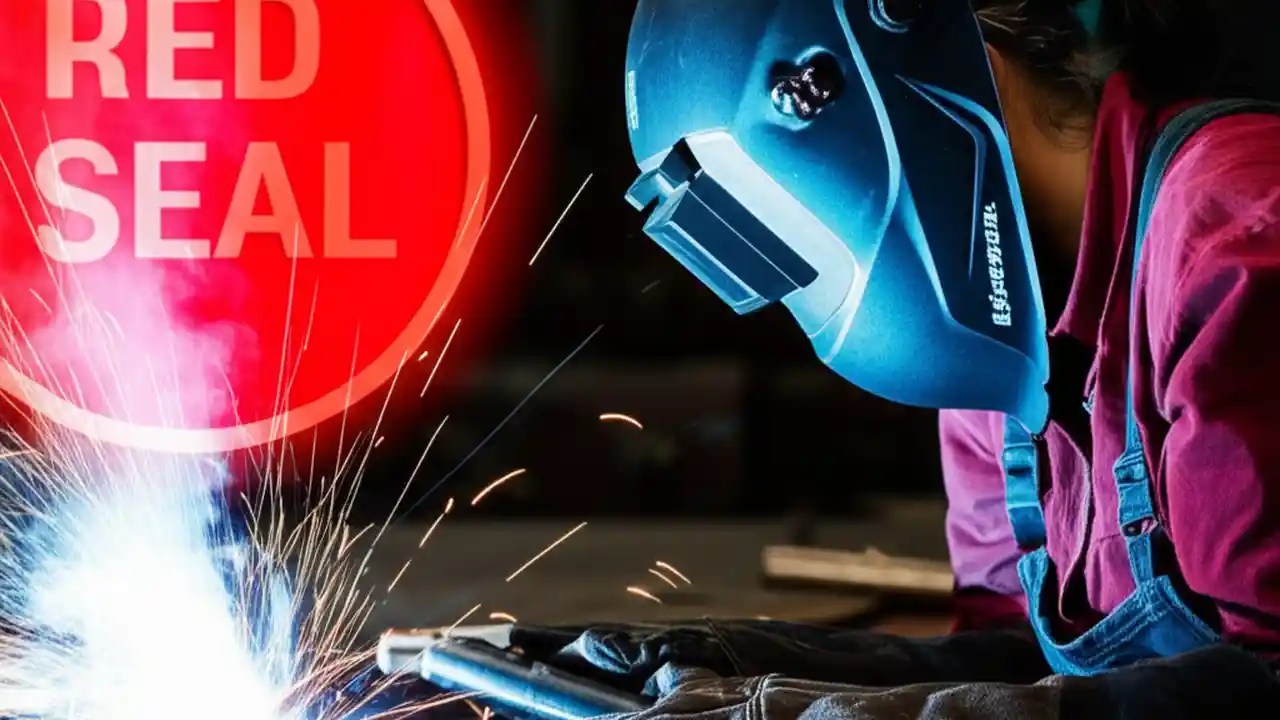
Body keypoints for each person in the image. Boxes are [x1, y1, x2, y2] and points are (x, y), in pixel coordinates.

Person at [499, 0, 1280, 718]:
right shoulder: (994, 353)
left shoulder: (1231, 240)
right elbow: (1018, 654)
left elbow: (1261, 681)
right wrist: (739, 662)